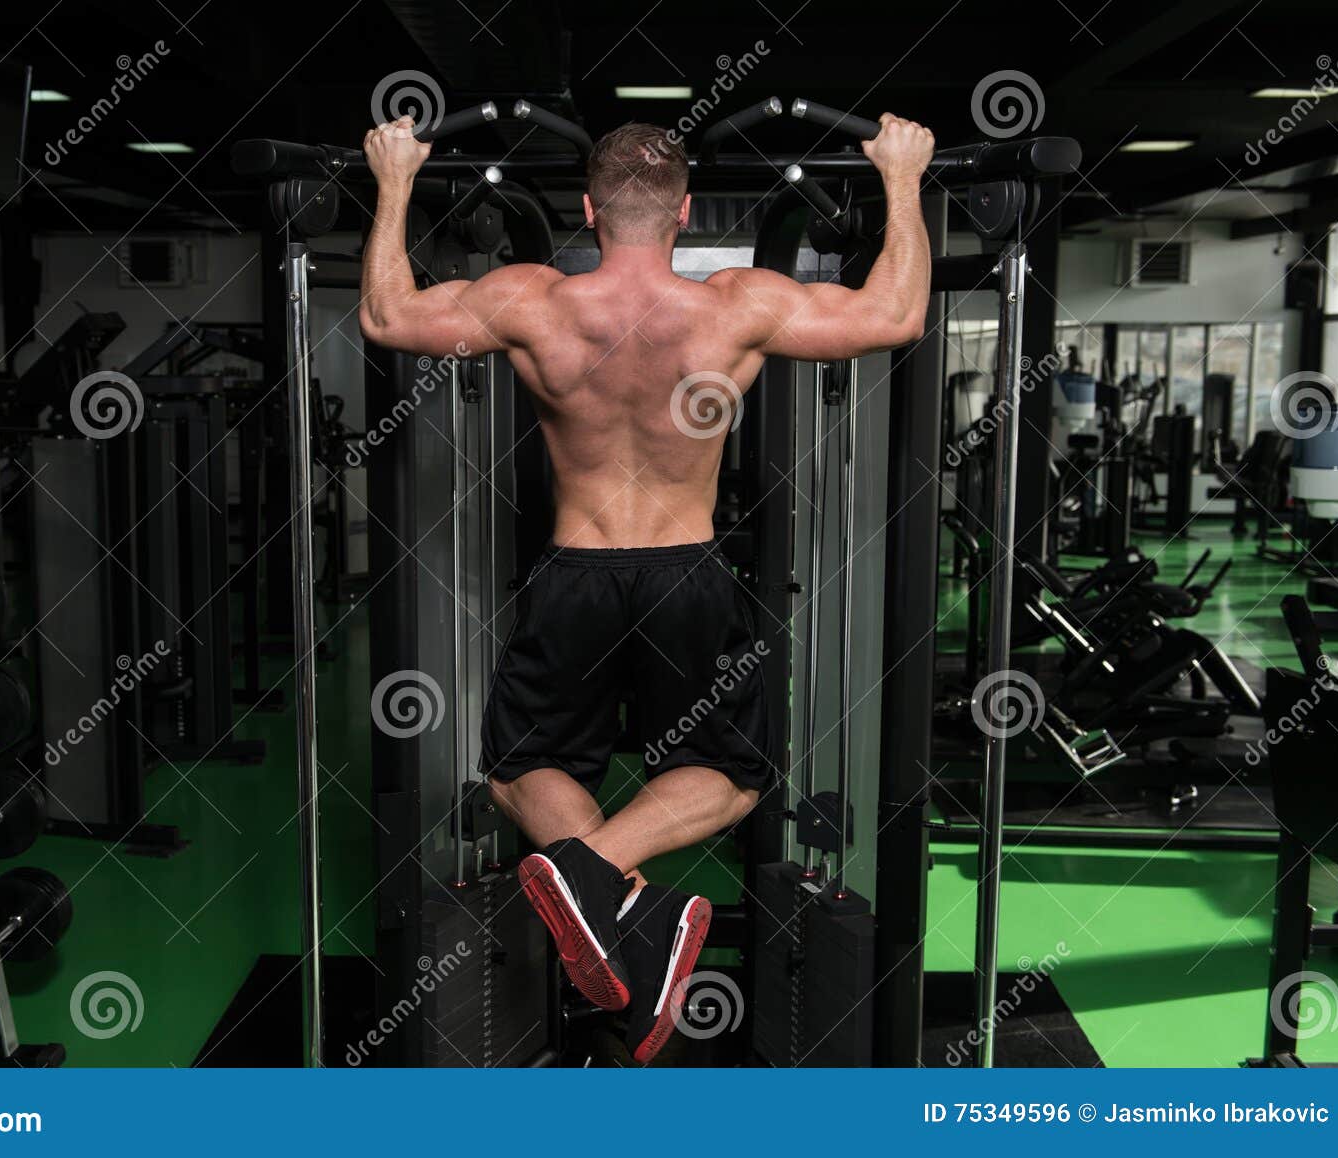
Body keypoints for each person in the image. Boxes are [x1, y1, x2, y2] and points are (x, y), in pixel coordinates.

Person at [359, 113, 933, 1063]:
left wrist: (393, 180)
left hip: (573, 574)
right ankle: (627, 905)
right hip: (688, 574)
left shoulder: (532, 301)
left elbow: (387, 315)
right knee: (739, 775)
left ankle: (601, 890)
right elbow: (894, 315)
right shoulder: (734, 307)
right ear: (685, 213)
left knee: (516, 769)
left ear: (588, 210)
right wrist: (904, 179)